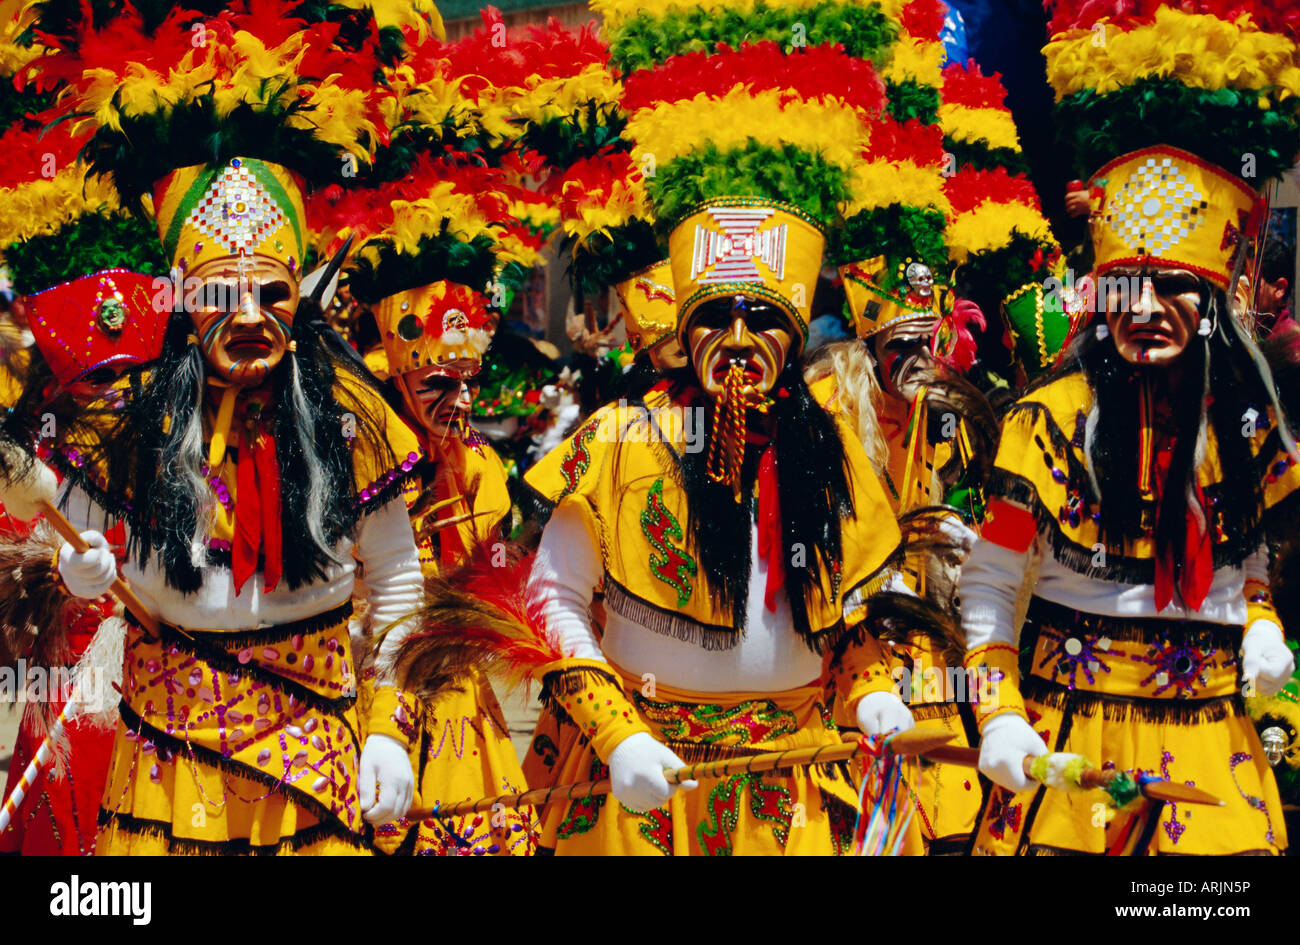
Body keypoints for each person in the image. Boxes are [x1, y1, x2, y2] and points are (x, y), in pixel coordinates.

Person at [963, 0, 1300, 854]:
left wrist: (1260, 623)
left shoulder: (1245, 423)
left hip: (1215, 749)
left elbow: (1248, 556)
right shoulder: (1045, 421)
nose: (1146, 310)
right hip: (1072, 748)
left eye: (1174, 288)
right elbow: (992, 587)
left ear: (1213, 304)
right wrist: (998, 716)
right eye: (1126, 287)